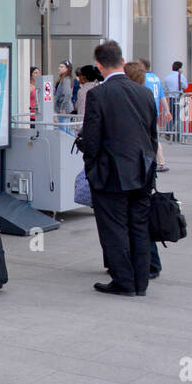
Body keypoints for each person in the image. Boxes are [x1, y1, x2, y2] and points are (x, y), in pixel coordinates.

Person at [77, 40, 158, 297]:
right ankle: (140, 282)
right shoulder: (144, 93)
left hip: (110, 174)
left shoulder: (98, 95)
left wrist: (91, 168)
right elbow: (152, 136)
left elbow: (91, 139)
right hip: (142, 171)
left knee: (114, 228)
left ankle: (123, 281)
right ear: (122, 62)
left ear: (99, 66)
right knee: (139, 226)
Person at [125, 63, 163, 280]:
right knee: (141, 218)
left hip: (135, 168)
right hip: (146, 166)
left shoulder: (132, 101)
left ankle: (148, 263)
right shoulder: (146, 97)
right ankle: (151, 263)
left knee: (136, 220)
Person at [162, 60, 185, 141]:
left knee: (171, 115)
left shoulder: (167, 77)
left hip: (171, 97)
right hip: (179, 97)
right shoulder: (181, 76)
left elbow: (165, 87)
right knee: (179, 117)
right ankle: (179, 134)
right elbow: (185, 86)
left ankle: (168, 131)